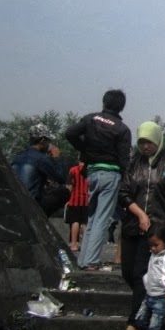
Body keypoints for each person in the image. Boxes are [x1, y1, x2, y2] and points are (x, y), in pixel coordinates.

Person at [115, 121, 165, 330]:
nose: (145, 146)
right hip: (132, 225)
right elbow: (124, 193)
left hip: (157, 228)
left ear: (157, 140)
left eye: (149, 142)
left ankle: (133, 327)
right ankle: (148, 324)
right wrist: (138, 214)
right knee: (129, 272)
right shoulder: (133, 163)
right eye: (142, 142)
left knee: (141, 276)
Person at [66, 89, 132, 270]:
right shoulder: (122, 129)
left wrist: (84, 150)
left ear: (104, 102)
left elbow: (70, 133)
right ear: (121, 107)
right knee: (102, 218)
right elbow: (124, 159)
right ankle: (92, 260)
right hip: (111, 174)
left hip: (92, 173)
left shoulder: (90, 119)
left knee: (93, 217)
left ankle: (83, 259)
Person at [11, 123, 69, 215]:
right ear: (42, 141)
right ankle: (41, 219)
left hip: (16, 202)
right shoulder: (41, 159)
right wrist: (57, 158)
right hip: (32, 204)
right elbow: (61, 179)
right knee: (64, 192)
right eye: (48, 141)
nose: (49, 144)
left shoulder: (18, 158)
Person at [65, 157, 89, 251]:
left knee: (75, 221)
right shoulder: (89, 170)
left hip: (74, 199)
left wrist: (68, 197)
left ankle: (74, 244)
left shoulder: (73, 170)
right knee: (85, 223)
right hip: (87, 200)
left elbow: (69, 185)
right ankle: (85, 246)